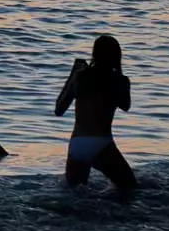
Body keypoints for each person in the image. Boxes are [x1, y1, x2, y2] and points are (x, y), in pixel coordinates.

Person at [55, 35, 136, 191]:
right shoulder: (119, 80)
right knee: (129, 187)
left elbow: (59, 110)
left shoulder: (80, 77)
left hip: (77, 144)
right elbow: (126, 105)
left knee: (75, 193)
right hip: (101, 143)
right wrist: (119, 72)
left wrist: (72, 76)